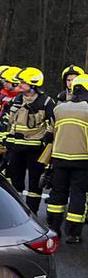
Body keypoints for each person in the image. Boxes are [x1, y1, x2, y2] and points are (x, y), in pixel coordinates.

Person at [6, 66, 56, 213]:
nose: (19, 84)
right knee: (15, 183)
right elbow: (10, 123)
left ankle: (32, 214)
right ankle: (15, 213)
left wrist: (47, 137)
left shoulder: (46, 102)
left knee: (35, 186)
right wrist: (8, 139)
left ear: (33, 84)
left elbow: (54, 124)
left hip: (36, 149)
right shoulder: (17, 99)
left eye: (23, 82)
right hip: (17, 148)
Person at [46, 73, 88, 243]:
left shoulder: (59, 108)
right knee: (78, 194)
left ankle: (53, 228)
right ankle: (73, 233)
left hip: (58, 158)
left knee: (57, 193)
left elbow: (49, 135)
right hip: (82, 159)